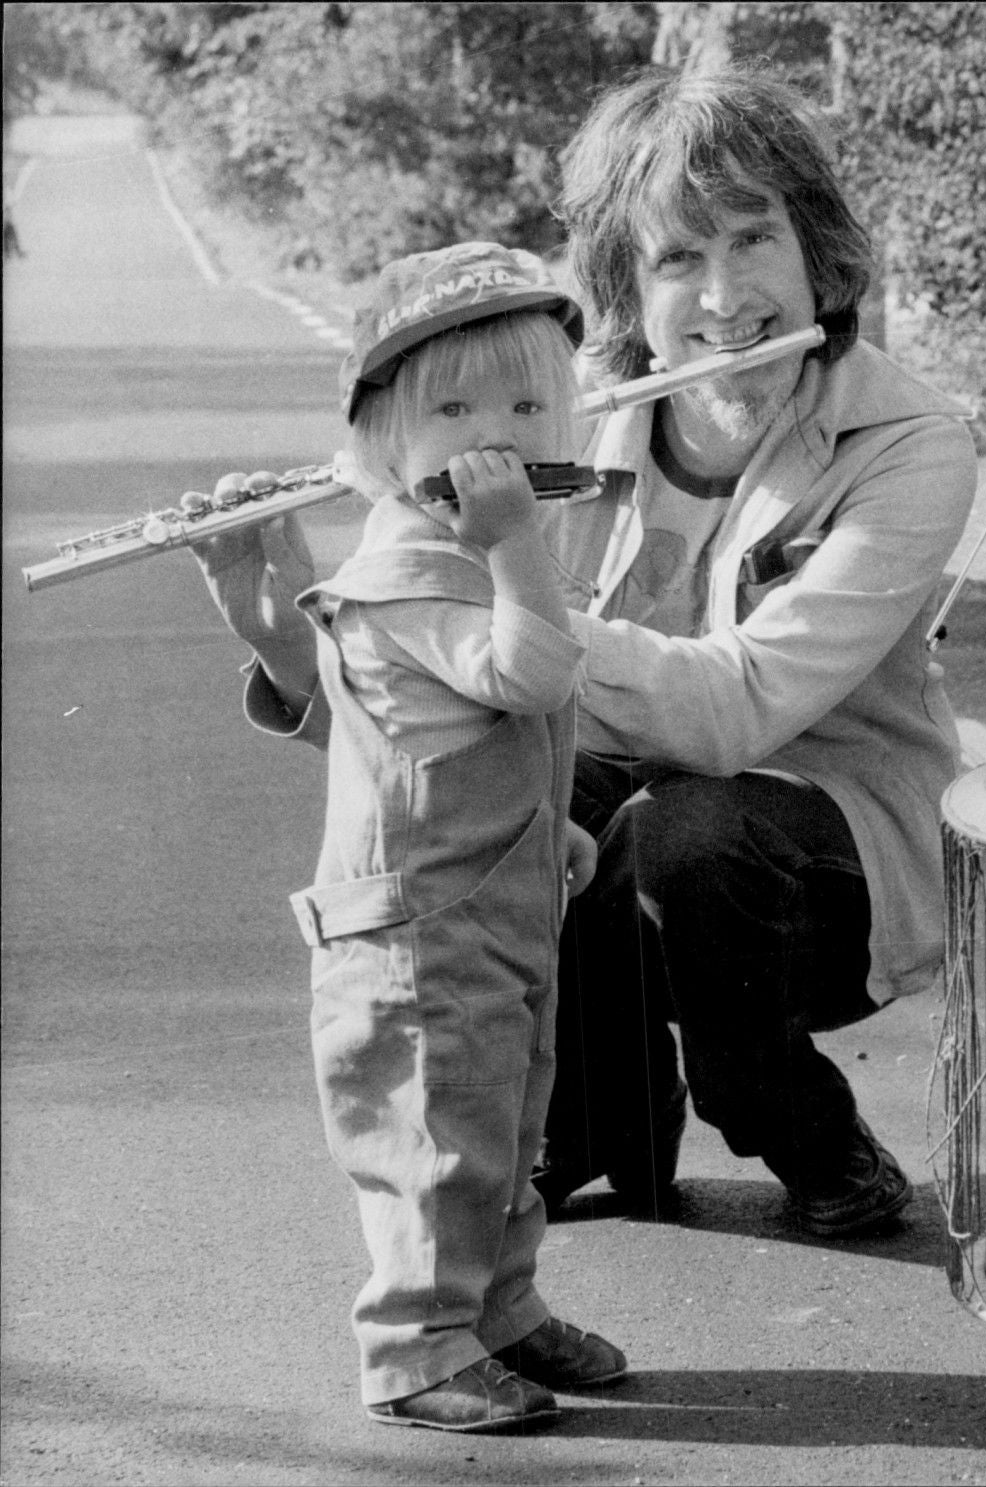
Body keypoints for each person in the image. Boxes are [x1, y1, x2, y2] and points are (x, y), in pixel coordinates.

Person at [202, 66, 976, 1241]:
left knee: (688, 830)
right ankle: (597, 1114)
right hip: (636, 818)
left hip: (834, 848)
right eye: (676, 260)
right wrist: (305, 642)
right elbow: (447, 707)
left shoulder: (905, 447)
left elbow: (734, 711)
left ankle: (793, 1119)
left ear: (815, 250)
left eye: (751, 239)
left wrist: (506, 587)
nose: (723, 297)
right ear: (628, 285)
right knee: (494, 791)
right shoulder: (568, 431)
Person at [275, 241, 625, 1432]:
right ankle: (416, 1343)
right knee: (442, 1134)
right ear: (383, 444)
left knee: (511, 1120)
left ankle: (502, 1308)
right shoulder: (413, 565)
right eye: (459, 409)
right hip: (420, 933)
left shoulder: (470, 549)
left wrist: (557, 827)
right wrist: (519, 544)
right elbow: (528, 672)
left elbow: (512, 734)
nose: (503, 435)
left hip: (497, 898)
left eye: (530, 404)